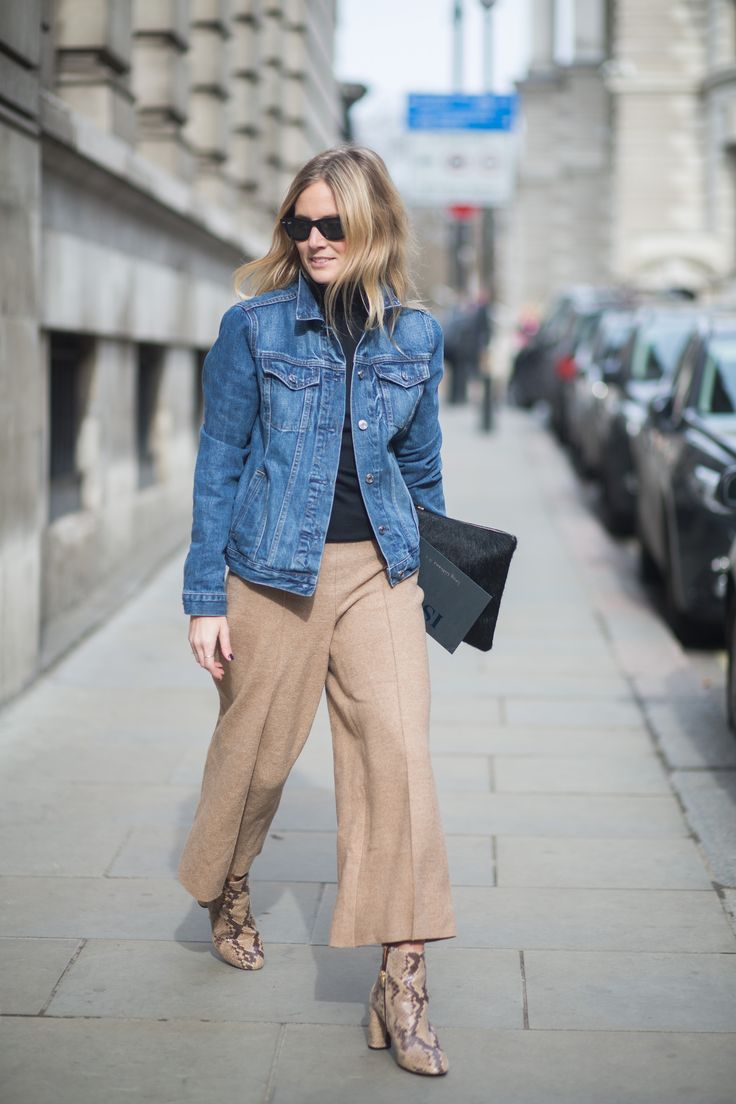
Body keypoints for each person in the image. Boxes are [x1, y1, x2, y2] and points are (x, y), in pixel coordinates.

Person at [181, 145, 455, 1077]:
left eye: (331, 224)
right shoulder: (252, 328)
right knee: (257, 759)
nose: (312, 240)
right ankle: (227, 885)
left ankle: (404, 978)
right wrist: (202, 596)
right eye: (299, 224)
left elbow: (422, 468)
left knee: (401, 758)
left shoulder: (416, 338)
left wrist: (444, 580)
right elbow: (218, 463)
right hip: (268, 572)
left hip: (382, 570)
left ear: (371, 226)